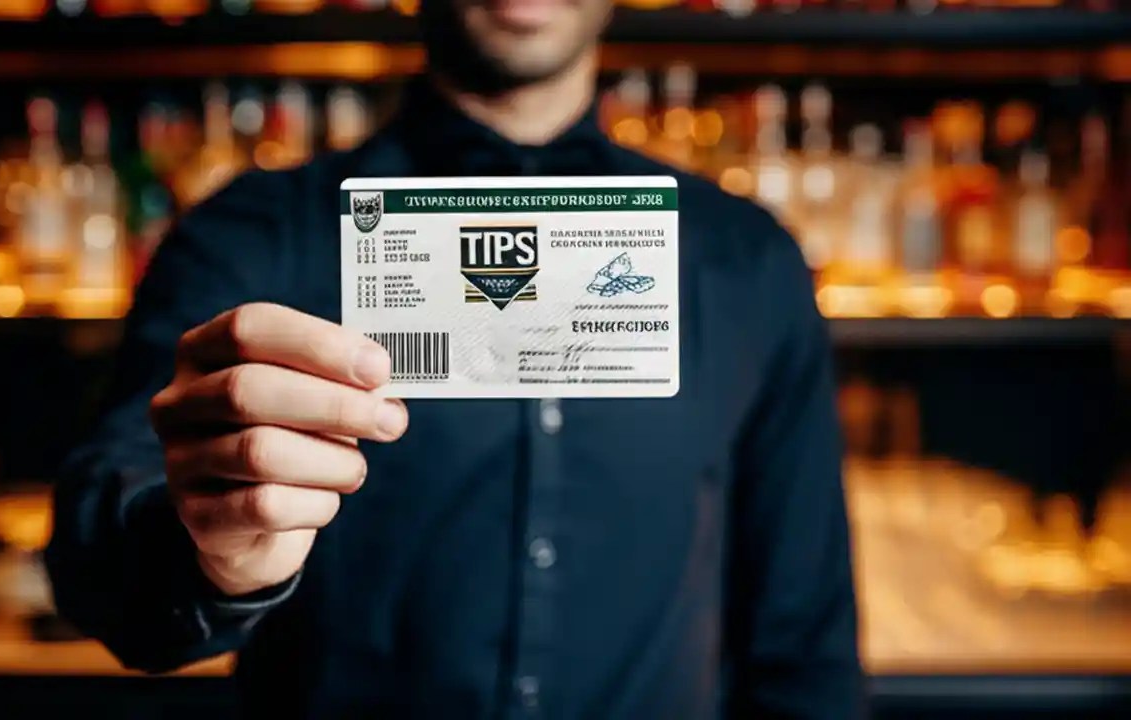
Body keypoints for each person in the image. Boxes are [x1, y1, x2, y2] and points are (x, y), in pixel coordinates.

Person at [46, 0, 865, 716]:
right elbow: (93, 561)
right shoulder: (250, 236)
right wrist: (212, 554)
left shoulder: (748, 260)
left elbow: (803, 639)